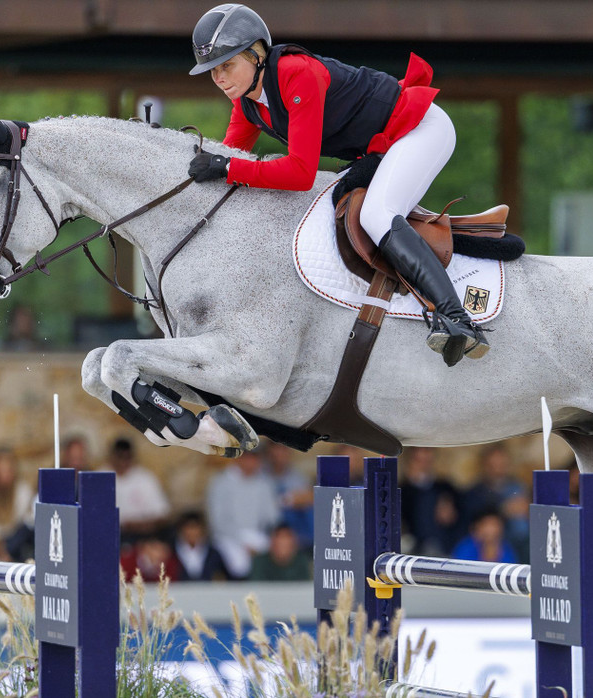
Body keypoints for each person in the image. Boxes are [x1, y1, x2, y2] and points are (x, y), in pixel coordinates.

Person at [187, 3, 488, 366]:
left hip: (419, 128)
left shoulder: (296, 72)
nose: (219, 78)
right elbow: (227, 158)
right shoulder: (248, 103)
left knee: (377, 215)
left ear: (257, 54)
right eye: (213, 70)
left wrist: (226, 167)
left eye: (227, 65)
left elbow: (299, 174)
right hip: (382, 147)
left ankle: (457, 318)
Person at [206, 450, 280, 578]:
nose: (251, 462)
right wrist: (243, 543)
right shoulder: (221, 482)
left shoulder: (265, 482)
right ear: (238, 459)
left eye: (254, 458)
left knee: (276, 556)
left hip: (259, 536)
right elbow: (217, 521)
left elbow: (272, 517)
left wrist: (268, 537)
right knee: (240, 565)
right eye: (247, 458)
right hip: (228, 537)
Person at [399, 447, 462, 555]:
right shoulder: (400, 490)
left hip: (442, 549)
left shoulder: (446, 488)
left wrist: (450, 514)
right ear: (409, 461)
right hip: (411, 551)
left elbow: (458, 519)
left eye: (428, 461)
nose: (423, 465)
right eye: (419, 460)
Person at [107, 437, 172, 541]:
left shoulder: (145, 478)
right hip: (115, 534)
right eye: (120, 457)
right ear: (112, 457)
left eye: (127, 457)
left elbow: (162, 513)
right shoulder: (102, 477)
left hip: (145, 535)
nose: (123, 462)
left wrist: (141, 525)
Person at [172, 511, 233, 581]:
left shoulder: (213, 554)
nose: (192, 532)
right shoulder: (171, 553)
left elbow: (227, 577)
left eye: (195, 528)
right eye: (189, 528)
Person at [450, 508, 518, 564]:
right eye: (486, 525)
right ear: (476, 527)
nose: (490, 529)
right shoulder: (466, 547)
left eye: (494, 524)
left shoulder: (507, 548)